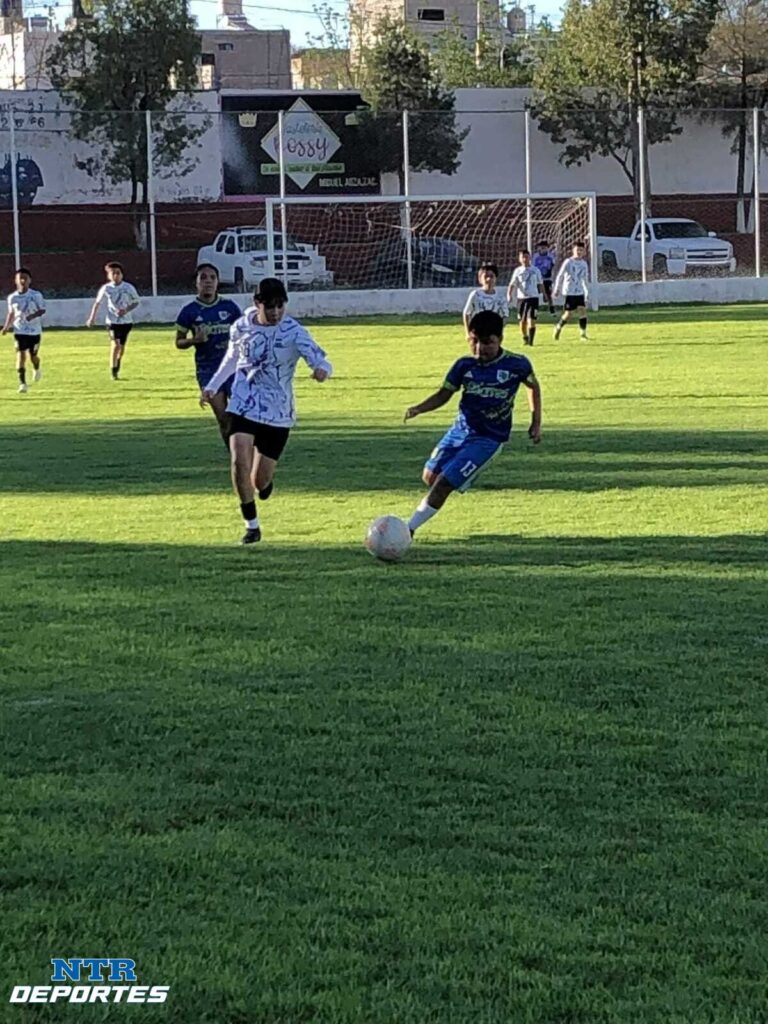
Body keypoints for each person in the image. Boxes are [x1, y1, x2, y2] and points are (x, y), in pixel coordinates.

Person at [200, 277, 332, 545]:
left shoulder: (294, 332)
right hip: (243, 404)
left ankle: (264, 483)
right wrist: (212, 386)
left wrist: (321, 371)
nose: (275, 313)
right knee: (239, 459)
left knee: (260, 480)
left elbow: (320, 359)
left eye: (280, 306)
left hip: (278, 412)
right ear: (256, 303)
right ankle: (252, 526)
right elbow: (233, 359)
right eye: (269, 307)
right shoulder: (242, 326)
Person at [404, 310, 541, 537]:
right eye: (474, 341)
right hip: (459, 432)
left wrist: (536, 422)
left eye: (487, 343)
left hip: (489, 439)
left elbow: (533, 386)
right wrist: (419, 408)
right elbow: (443, 394)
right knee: (429, 477)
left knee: (443, 484)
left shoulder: (517, 365)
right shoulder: (464, 366)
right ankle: (463, 476)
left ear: (500, 340)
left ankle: (407, 530)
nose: (480, 349)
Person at [175, 264, 241, 444]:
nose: (208, 282)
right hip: (208, 371)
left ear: (218, 282)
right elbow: (178, 342)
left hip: (234, 369)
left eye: (212, 277)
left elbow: (244, 334)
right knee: (224, 418)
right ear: (196, 283)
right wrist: (194, 340)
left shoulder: (230, 308)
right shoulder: (189, 311)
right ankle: (235, 456)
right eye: (203, 278)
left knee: (241, 417)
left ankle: (244, 455)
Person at [86, 262, 140, 379]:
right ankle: (113, 372)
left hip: (126, 322)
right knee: (115, 344)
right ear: (108, 275)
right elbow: (97, 303)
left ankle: (117, 361)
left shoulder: (128, 287)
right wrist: (92, 317)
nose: (116, 275)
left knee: (121, 347)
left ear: (122, 274)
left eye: (118, 273)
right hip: (112, 321)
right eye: (113, 273)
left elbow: (136, 302)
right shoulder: (106, 288)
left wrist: (126, 310)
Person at [2, 267, 46, 394]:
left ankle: (36, 367)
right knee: (20, 355)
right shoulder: (12, 297)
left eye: (25, 278)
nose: (22, 280)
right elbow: (11, 313)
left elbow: (42, 310)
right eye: (19, 278)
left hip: (34, 331)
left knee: (33, 356)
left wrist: (32, 316)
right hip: (19, 330)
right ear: (15, 280)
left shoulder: (36, 295)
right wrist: (6, 327)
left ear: (29, 280)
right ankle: (22, 383)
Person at [552, 242, 590, 341]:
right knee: (569, 314)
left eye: (581, 250)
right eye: (577, 250)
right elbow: (560, 275)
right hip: (569, 291)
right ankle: (558, 327)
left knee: (582, 310)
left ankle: (583, 334)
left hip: (579, 291)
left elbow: (585, 279)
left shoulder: (584, 264)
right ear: (573, 251)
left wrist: (587, 292)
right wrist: (557, 289)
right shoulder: (568, 262)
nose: (579, 252)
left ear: (584, 252)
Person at [507, 249, 543, 346]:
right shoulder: (517, 271)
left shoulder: (535, 270)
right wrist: (509, 295)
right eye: (523, 257)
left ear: (530, 258)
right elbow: (512, 284)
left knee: (531, 319)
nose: (525, 259)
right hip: (521, 298)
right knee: (522, 321)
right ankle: (525, 337)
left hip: (533, 298)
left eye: (526, 257)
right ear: (520, 259)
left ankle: (531, 342)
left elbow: (540, 283)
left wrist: (543, 294)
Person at [462, 261, 509, 334]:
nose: (489, 279)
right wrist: (468, 333)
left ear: (496, 278)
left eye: (491, 276)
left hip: (493, 332)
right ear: (480, 279)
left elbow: (505, 316)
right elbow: (466, 313)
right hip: (478, 330)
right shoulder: (475, 295)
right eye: (486, 276)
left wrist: (498, 330)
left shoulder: (500, 297)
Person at [533, 241, 556, 315]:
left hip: (547, 278)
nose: (543, 249)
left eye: (544, 248)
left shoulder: (550, 256)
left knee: (549, 294)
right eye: (541, 247)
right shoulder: (535, 256)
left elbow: (554, 265)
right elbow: (533, 267)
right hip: (537, 279)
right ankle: (534, 309)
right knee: (534, 294)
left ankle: (552, 309)